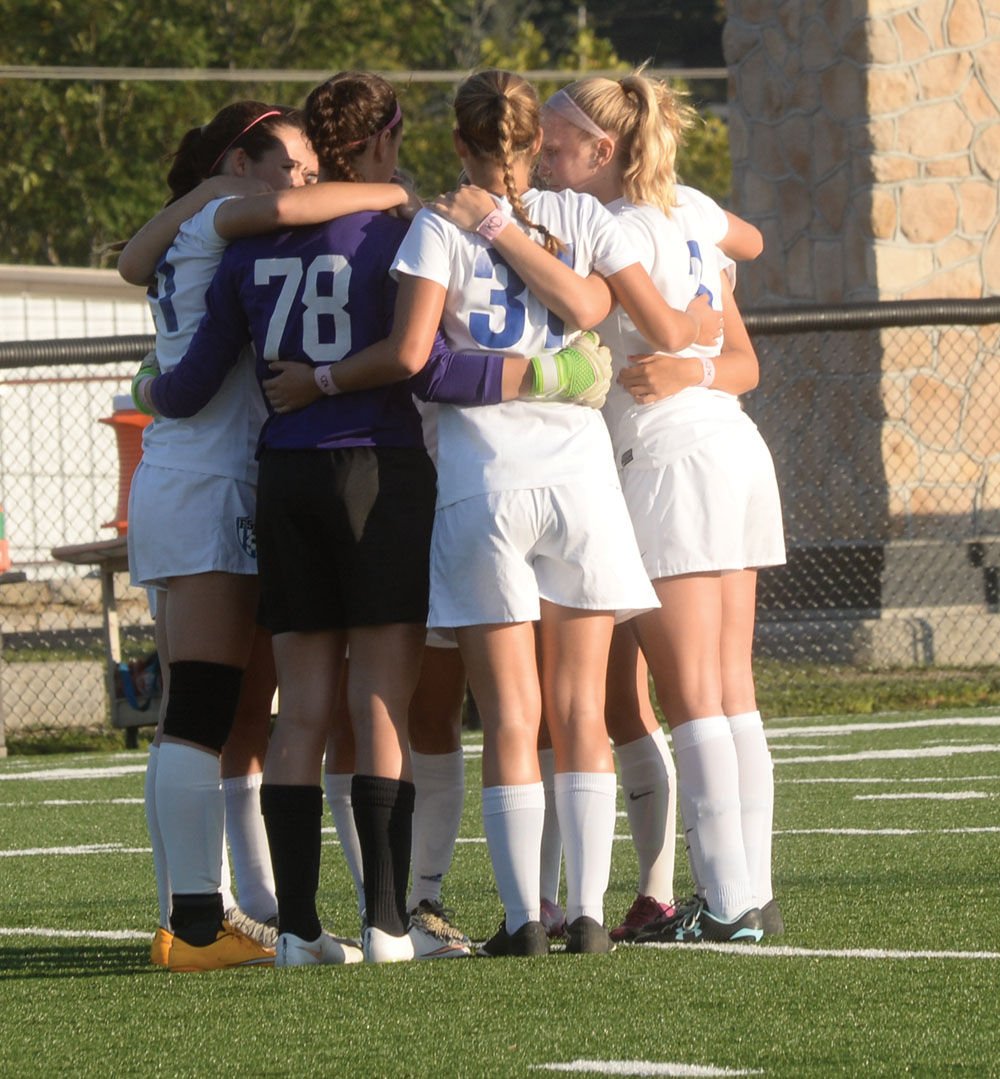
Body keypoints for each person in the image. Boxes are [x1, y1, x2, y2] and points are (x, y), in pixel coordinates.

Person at [133, 71, 613, 965]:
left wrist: (146, 386)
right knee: (381, 702)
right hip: (379, 470)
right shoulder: (406, 230)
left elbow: (196, 373)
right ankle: (389, 922)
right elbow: (418, 359)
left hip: (283, 477)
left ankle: (299, 930)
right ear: (387, 138)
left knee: (298, 710)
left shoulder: (245, 248)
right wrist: (549, 374)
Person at [434, 69, 784, 944]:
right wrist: (702, 350)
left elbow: (661, 325)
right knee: (728, 692)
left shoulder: (618, 222)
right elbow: (752, 243)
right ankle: (748, 892)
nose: (538, 162)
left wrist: (683, 344)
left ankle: (729, 900)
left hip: (667, 456)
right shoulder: (691, 209)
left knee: (694, 692)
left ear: (603, 150)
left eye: (554, 148)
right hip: (732, 443)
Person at [121, 98, 425, 971]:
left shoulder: (200, 227)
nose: (303, 178)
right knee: (203, 709)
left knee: (212, 709)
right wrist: (383, 188)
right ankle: (194, 921)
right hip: (212, 479)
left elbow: (137, 264)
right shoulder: (232, 216)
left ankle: (214, 910)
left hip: (189, 474)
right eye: (288, 160)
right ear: (241, 166)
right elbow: (288, 210)